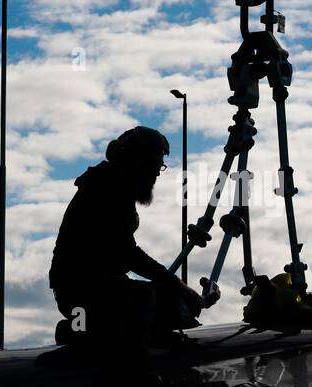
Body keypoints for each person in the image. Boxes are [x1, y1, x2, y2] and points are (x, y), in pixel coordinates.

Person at [49, 126, 204, 355]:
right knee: (142, 298)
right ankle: (133, 375)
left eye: (159, 165)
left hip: (89, 290)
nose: (157, 173)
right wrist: (178, 286)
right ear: (133, 161)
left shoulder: (113, 185)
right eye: (152, 163)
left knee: (161, 300)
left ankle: (82, 330)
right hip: (79, 292)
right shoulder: (106, 188)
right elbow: (127, 252)